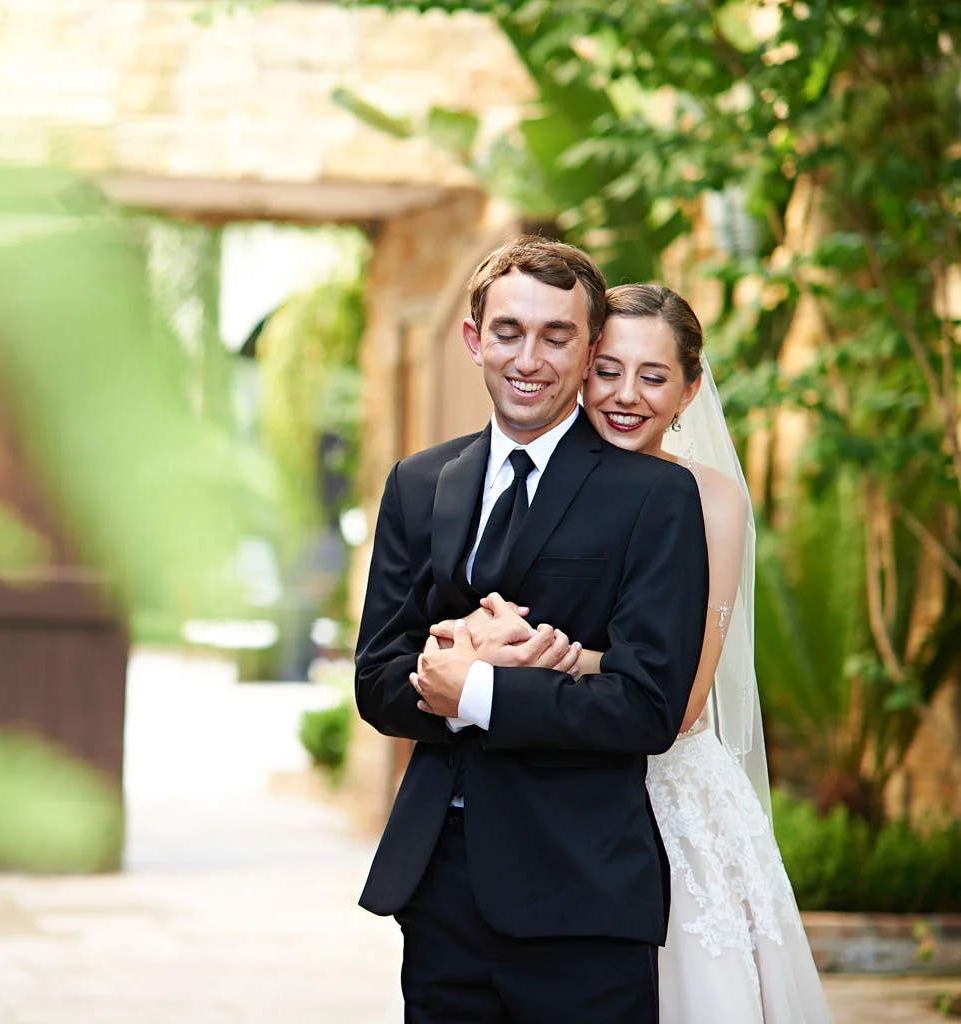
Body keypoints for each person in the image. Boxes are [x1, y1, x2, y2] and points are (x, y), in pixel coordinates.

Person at [353, 236, 710, 1024]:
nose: (530, 357)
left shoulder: (654, 498)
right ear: (475, 338)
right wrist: (450, 666)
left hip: (580, 893)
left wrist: (481, 690)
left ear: (588, 353)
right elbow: (377, 679)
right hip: (439, 888)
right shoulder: (419, 484)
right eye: (510, 330)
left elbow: (648, 706)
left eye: (558, 335)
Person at [463, 284, 833, 1022]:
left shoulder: (709, 500)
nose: (624, 395)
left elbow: (684, 698)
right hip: (544, 790)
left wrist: (559, 657)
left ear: (689, 390)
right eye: (607, 370)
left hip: (669, 796)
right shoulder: (535, 477)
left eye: (653, 376)